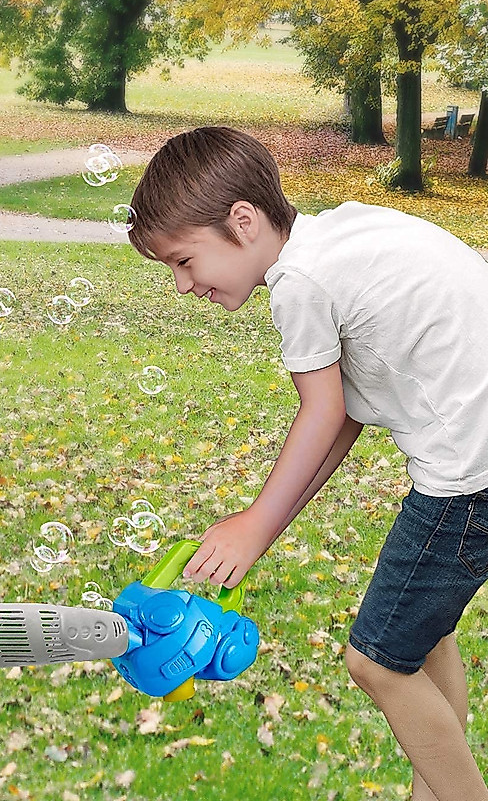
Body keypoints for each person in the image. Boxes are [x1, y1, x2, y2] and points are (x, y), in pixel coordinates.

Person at [127, 125, 488, 801]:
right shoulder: (339, 236)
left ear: (243, 221)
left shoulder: (300, 284)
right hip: (478, 463)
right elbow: (345, 417)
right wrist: (263, 529)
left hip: (469, 479)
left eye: (184, 260)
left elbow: (320, 414)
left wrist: (254, 526)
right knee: (423, 634)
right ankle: (433, 790)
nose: (182, 285)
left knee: (377, 662)